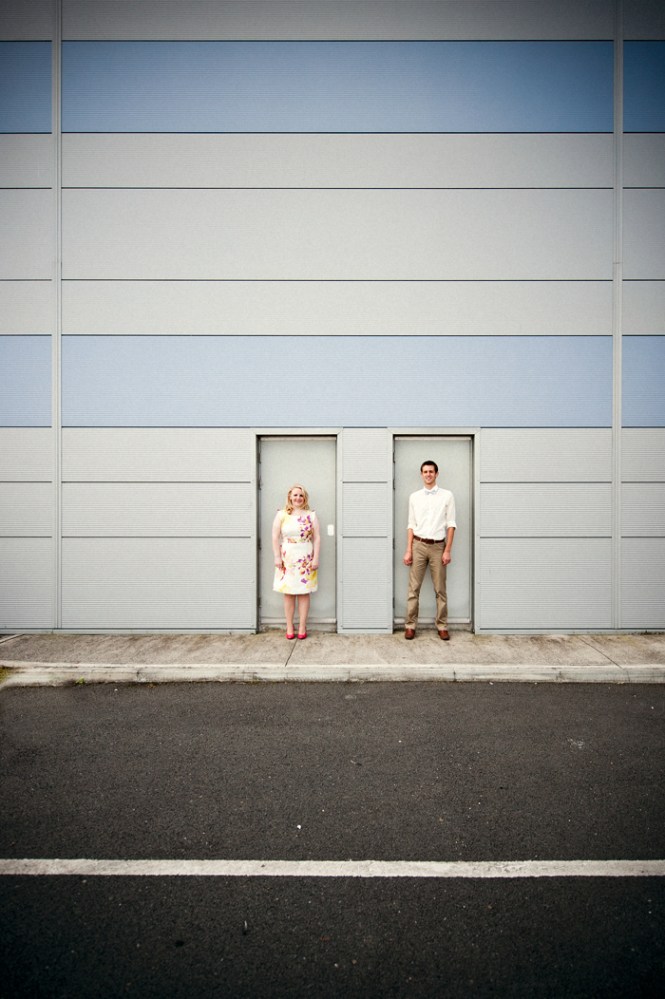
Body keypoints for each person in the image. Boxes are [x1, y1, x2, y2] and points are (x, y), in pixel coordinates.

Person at [403, 460, 456, 640]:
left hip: (438, 546)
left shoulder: (447, 496)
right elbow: (411, 524)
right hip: (418, 545)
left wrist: (447, 550)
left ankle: (442, 625)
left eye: (431, 471)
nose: (428, 474)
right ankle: (410, 625)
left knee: (440, 589)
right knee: (413, 589)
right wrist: (408, 550)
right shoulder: (414, 497)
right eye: (425, 471)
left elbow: (451, 525)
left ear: (436, 474)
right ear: (421, 474)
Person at [272, 484, 321, 640]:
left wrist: (315, 558)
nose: (298, 498)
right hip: (287, 557)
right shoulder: (281, 514)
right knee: (288, 593)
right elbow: (274, 536)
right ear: (290, 497)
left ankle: (302, 626)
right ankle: (289, 626)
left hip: (305, 557)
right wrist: (277, 556)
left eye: (300, 495)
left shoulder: (311, 515)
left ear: (304, 497)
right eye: (295, 495)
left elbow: (317, 538)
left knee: (304, 592)